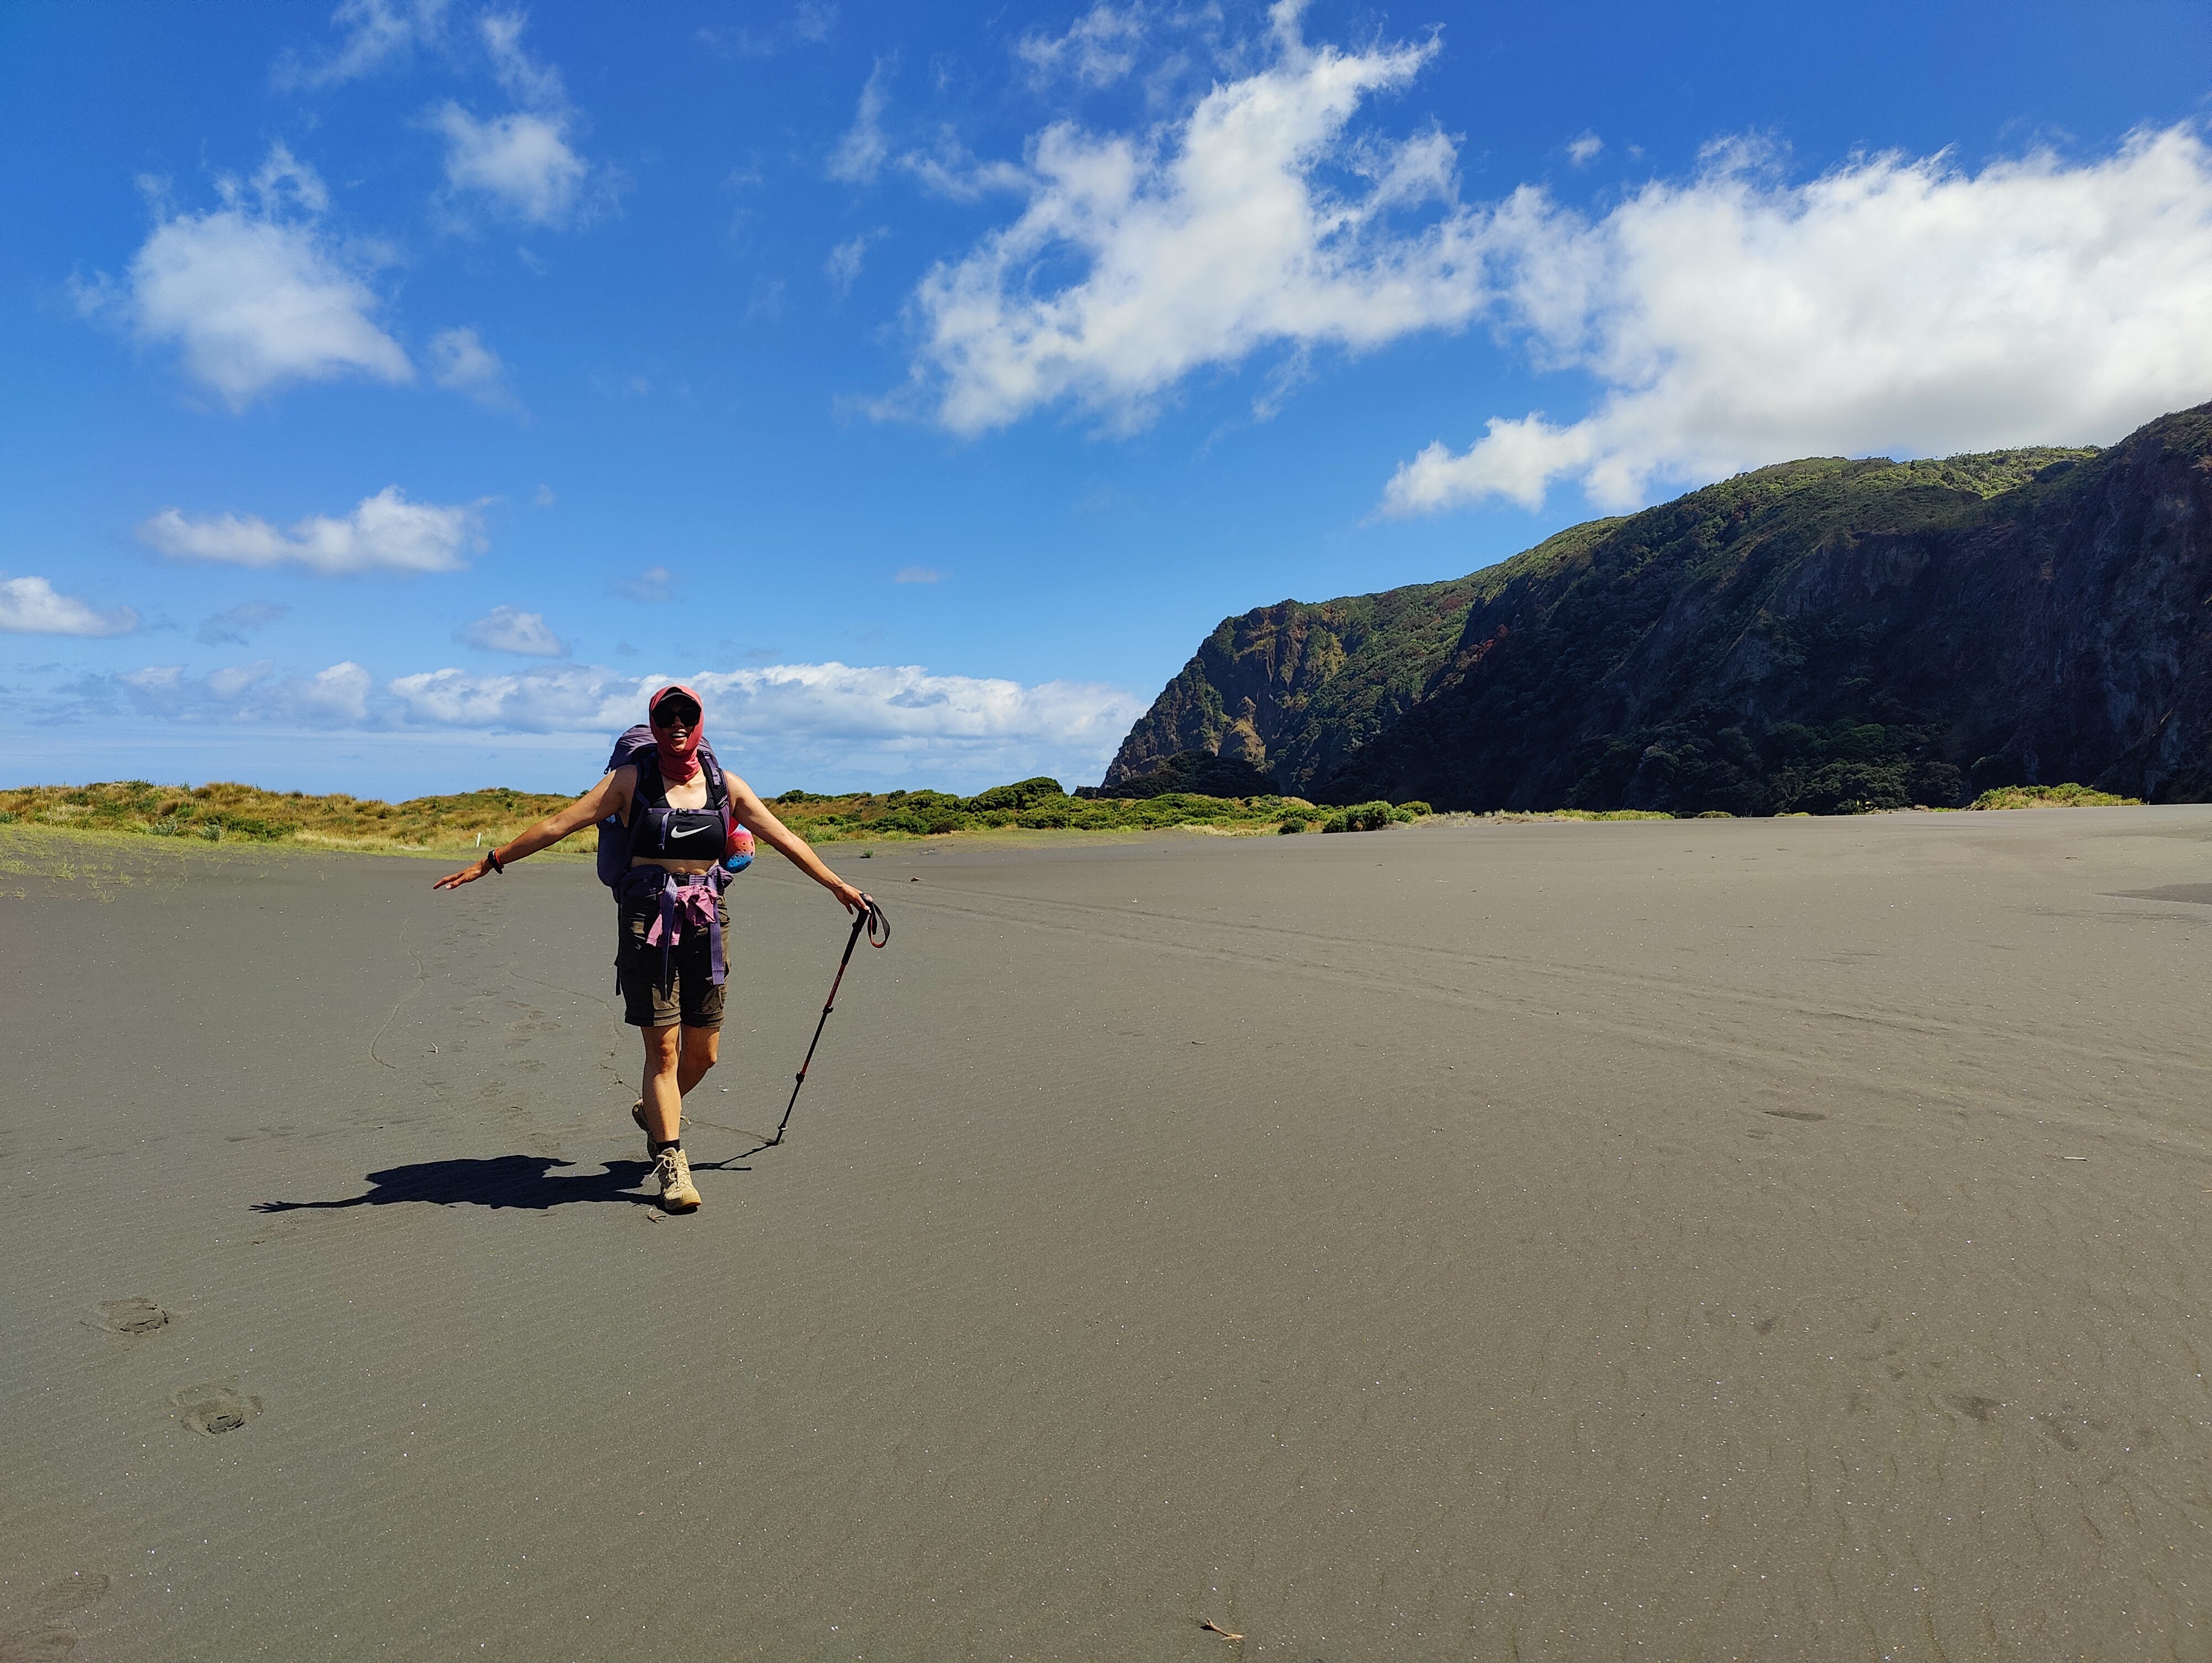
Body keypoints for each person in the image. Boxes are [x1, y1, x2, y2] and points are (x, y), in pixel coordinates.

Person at [433, 684, 867, 1212]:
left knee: (704, 1054)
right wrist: (491, 861)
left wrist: (839, 886)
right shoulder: (630, 781)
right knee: (662, 1049)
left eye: (688, 715)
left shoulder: (724, 784)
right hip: (647, 920)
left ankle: (656, 1109)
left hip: (707, 920)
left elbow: (786, 839)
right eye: (667, 716)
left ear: (700, 721)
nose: (678, 724)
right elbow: (558, 824)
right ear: (654, 723)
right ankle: (671, 1163)